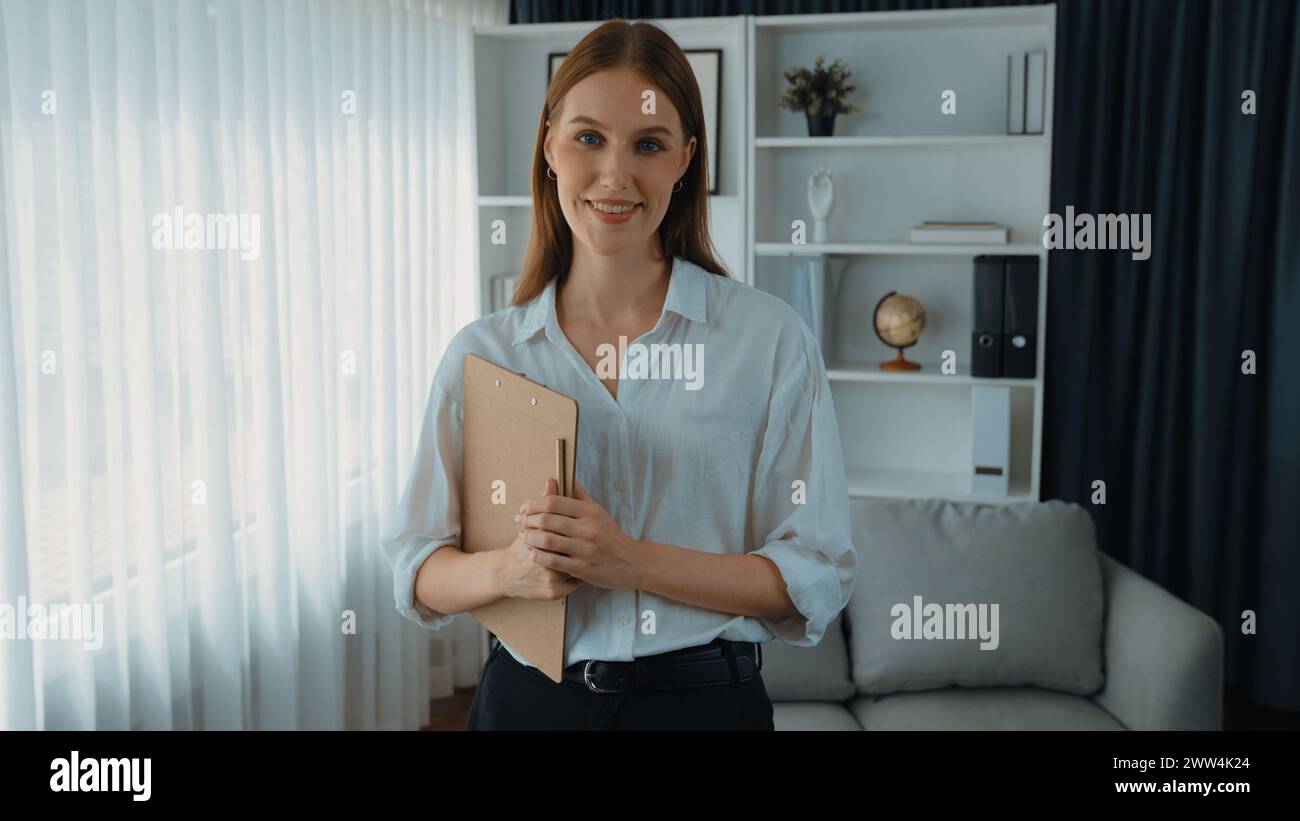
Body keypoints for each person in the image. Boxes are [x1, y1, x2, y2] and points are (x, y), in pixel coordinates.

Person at [381, 18, 857, 731]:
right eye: (588, 138)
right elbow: (416, 569)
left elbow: (815, 573)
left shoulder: (768, 340)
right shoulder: (484, 355)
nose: (614, 175)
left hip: (704, 708)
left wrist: (629, 561)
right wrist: (508, 571)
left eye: (648, 144)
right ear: (549, 146)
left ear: (686, 159)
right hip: (528, 704)